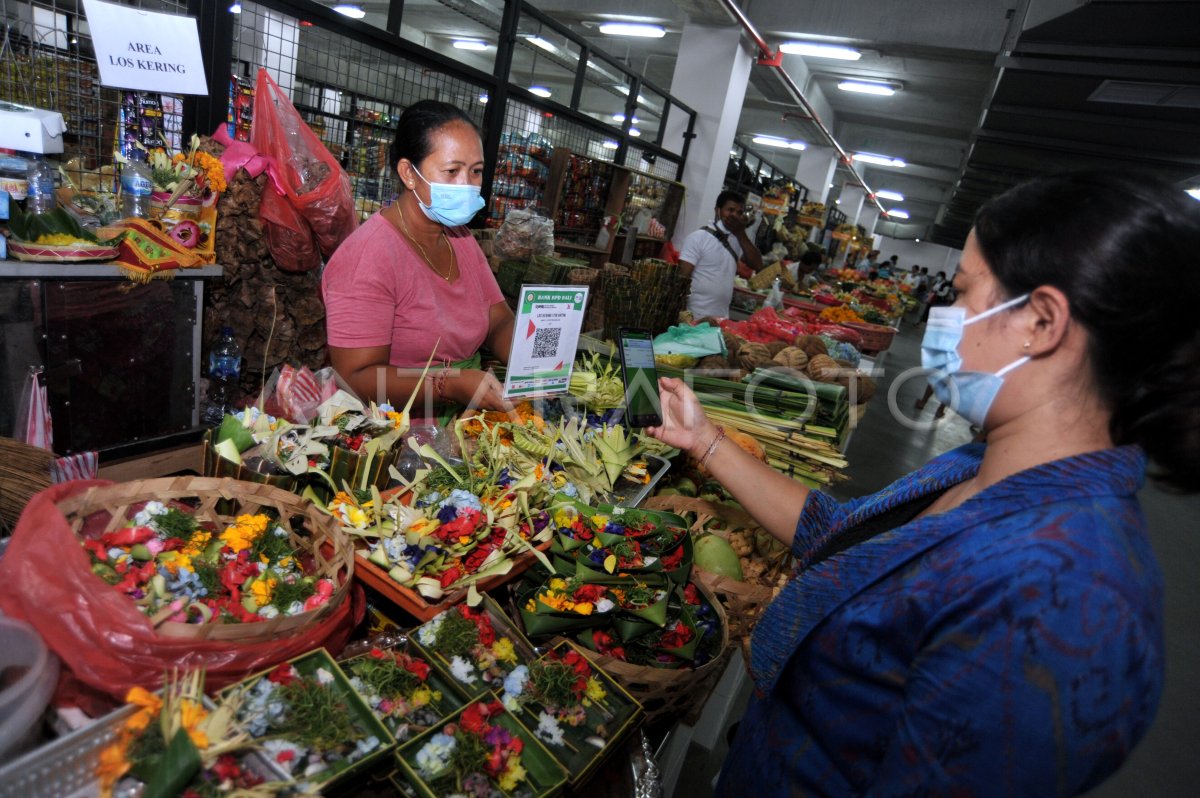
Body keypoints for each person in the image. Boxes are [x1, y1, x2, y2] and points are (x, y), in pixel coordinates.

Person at [647, 170, 1200, 795]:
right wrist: (707, 442)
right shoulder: (982, 464)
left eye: (963, 294)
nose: (944, 316)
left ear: (1041, 323)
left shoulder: (1063, 601)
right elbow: (843, 540)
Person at [322, 100, 515, 419]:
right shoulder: (368, 257)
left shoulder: (460, 238)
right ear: (408, 174)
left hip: (467, 426)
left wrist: (534, 361)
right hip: (395, 442)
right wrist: (450, 385)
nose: (466, 185)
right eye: (452, 171)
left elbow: (499, 321)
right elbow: (355, 378)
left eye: (476, 171)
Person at [678, 189, 764, 318]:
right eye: (730, 210)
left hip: (722, 317)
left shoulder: (739, 239)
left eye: (739, 212)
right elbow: (682, 279)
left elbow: (757, 264)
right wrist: (682, 314)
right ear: (718, 211)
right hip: (695, 314)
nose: (734, 215)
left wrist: (741, 233)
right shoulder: (698, 238)